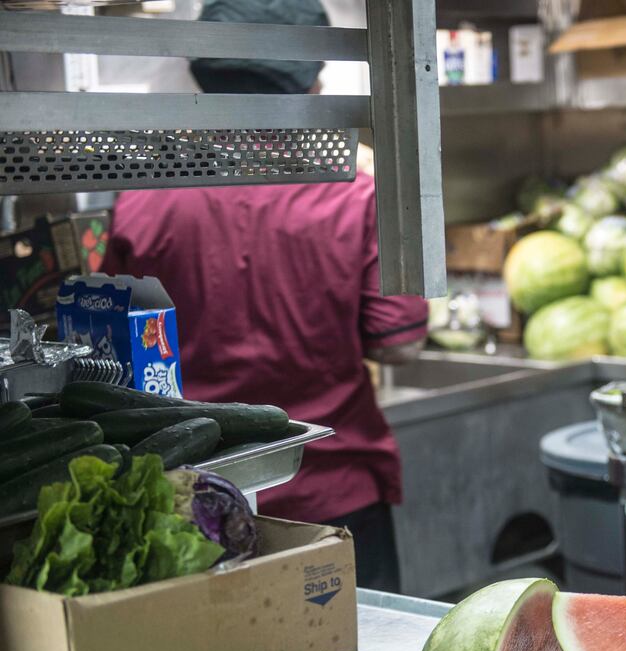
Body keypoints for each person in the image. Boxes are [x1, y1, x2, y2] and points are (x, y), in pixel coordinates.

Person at [101, 0, 425, 593]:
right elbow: (400, 343)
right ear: (313, 82)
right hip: (333, 487)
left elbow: (113, 355)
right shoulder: (355, 194)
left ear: (202, 77)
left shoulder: (141, 197)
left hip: (193, 498)